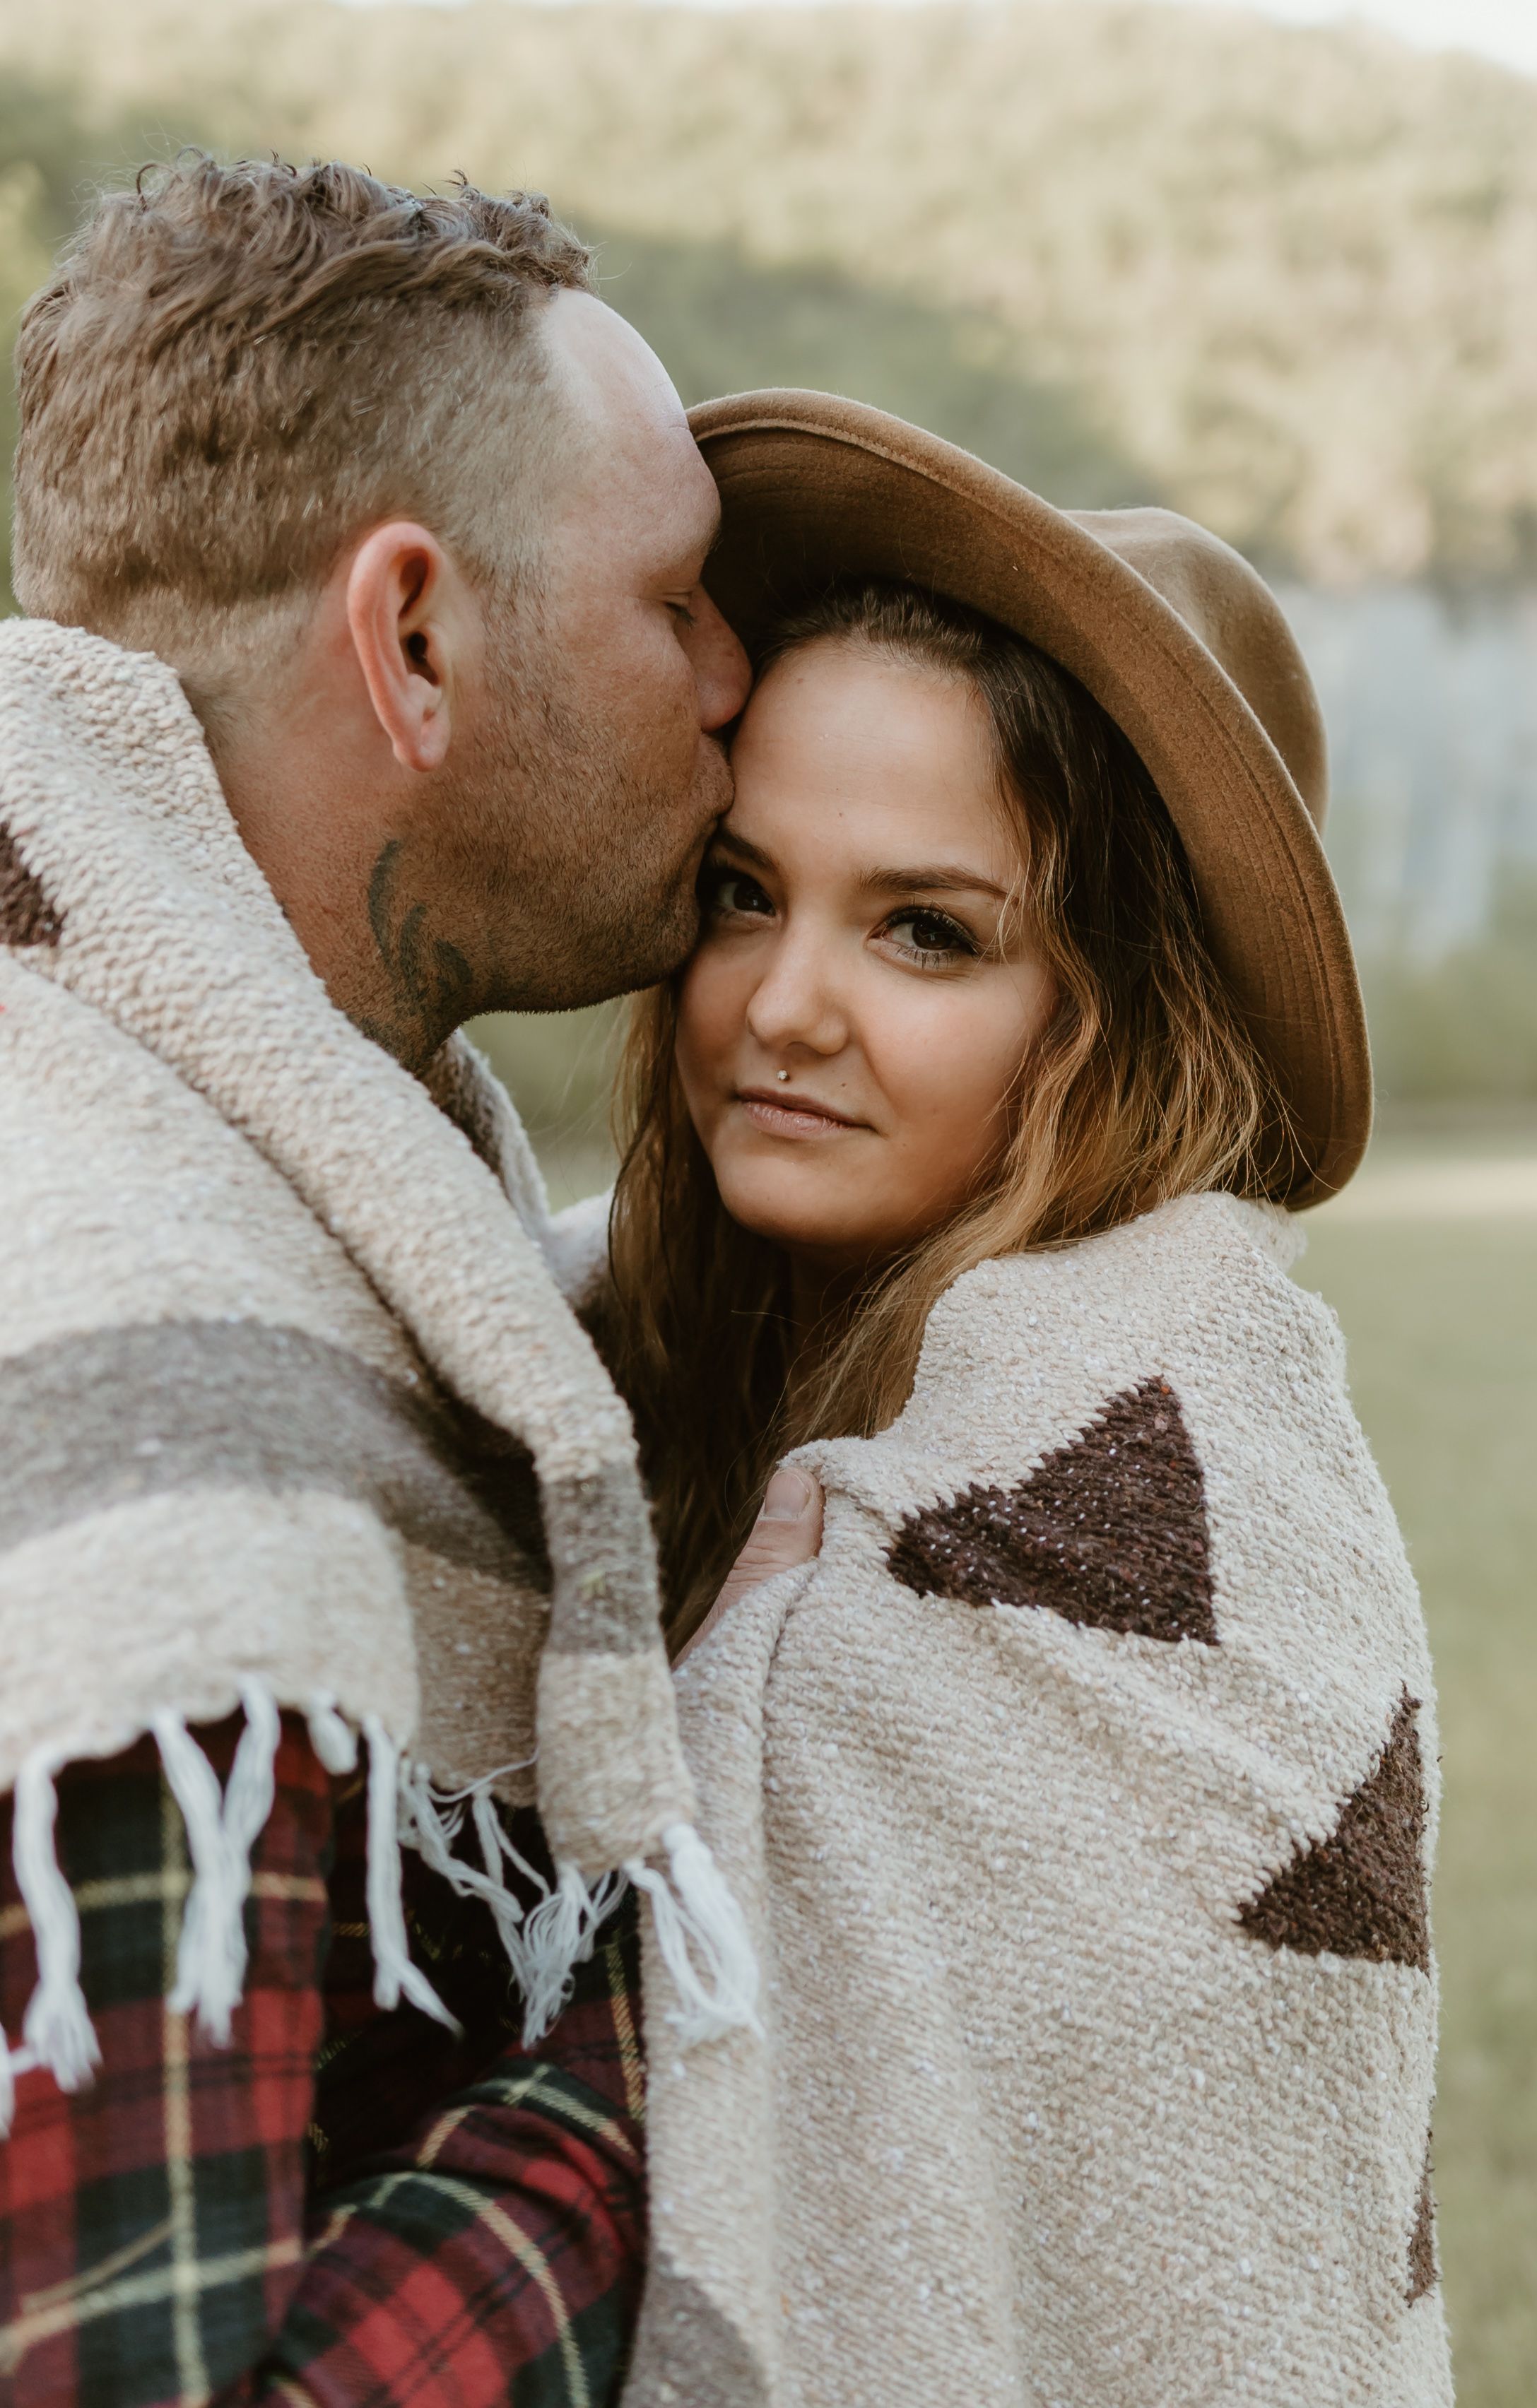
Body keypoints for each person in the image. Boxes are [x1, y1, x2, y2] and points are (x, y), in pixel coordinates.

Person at [567, 395, 1451, 2404]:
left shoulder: (1154, 1518)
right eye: (737, 891)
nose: (783, 1003)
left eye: (926, 932)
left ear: (1115, 1015)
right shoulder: (614, 1356)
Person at [0, 155, 771, 2406]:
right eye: (679, 602)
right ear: (414, 638)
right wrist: (714, 1991)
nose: (735, 681)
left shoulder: (208, 1170)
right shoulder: (156, 1405)